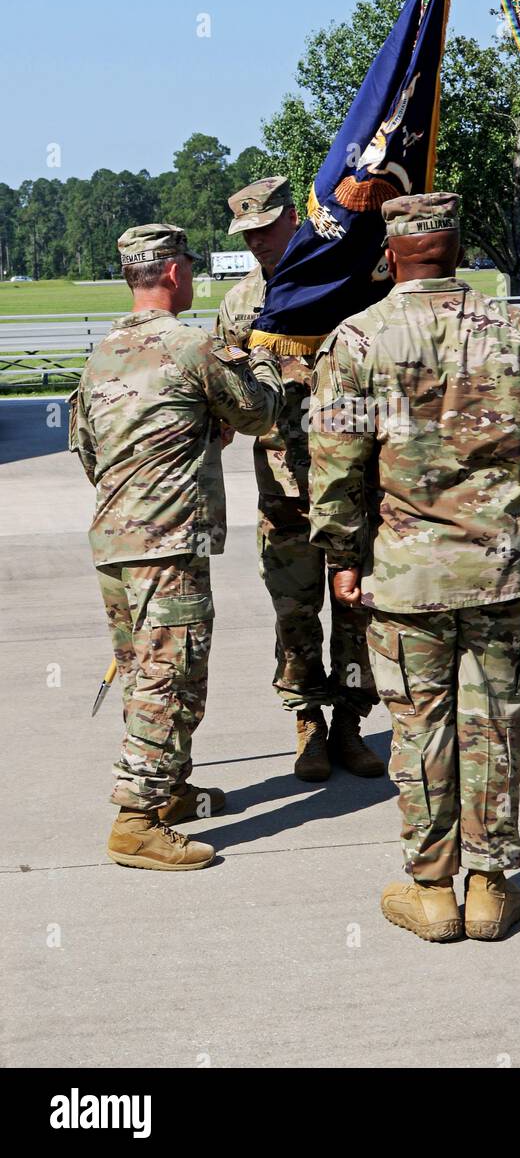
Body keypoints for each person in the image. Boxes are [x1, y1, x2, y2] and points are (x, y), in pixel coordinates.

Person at [308, 193, 520, 942]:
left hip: (403, 577)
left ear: (393, 254)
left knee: (420, 727)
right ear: (459, 249)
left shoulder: (358, 340)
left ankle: (431, 892)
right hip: (497, 572)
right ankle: (490, 885)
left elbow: (335, 469)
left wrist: (342, 555)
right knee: (495, 722)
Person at [69, 223, 283, 870]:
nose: (192, 275)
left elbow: (88, 449)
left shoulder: (103, 352)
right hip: (166, 541)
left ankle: (170, 792)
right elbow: (260, 413)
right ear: (169, 273)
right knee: (171, 672)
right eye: (187, 265)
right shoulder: (193, 345)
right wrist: (268, 355)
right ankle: (136, 819)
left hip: (115, 540)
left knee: (148, 671)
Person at [216, 177, 383, 781]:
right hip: (282, 485)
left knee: (357, 608)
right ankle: (308, 719)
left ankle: (351, 724)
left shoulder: (344, 283)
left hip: (354, 483)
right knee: (294, 609)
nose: (259, 243)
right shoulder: (239, 304)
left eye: (266, 229)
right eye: (248, 235)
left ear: (296, 218)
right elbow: (226, 394)